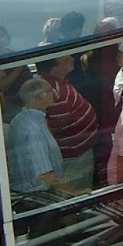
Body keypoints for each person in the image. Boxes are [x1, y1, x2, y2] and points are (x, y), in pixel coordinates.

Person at [6, 78, 82, 246]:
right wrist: (73, 192)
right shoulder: (33, 128)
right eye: (49, 91)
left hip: (22, 193)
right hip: (38, 197)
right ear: (38, 97)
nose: (54, 94)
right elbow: (45, 174)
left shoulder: (21, 120)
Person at [38, 55, 99, 189]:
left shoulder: (56, 83)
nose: (72, 59)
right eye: (66, 60)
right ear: (54, 68)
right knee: (79, 189)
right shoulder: (54, 92)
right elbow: (53, 128)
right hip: (75, 155)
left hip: (81, 147)